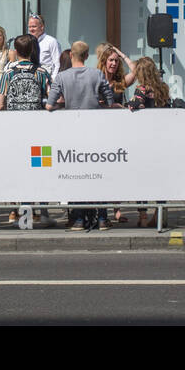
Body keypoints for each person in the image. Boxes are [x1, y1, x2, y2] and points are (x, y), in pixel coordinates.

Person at [46, 41, 116, 231]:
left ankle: (78, 219)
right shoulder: (97, 74)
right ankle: (102, 218)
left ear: (71, 56)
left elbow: (49, 105)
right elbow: (110, 101)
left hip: (72, 132)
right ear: (86, 56)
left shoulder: (61, 77)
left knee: (76, 175)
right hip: (95, 130)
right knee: (98, 174)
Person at [0, 35, 57, 229]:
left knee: (16, 168)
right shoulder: (41, 72)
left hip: (14, 129)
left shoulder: (8, 72)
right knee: (38, 168)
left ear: (16, 51)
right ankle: (40, 212)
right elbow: (50, 97)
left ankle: (16, 211)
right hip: (35, 128)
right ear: (32, 51)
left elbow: (1, 103)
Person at [128, 56, 172, 228]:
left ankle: (143, 216)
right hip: (160, 139)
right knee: (159, 178)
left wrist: (129, 103)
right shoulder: (163, 88)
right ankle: (159, 214)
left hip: (144, 140)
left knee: (142, 179)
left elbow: (135, 107)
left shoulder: (142, 89)